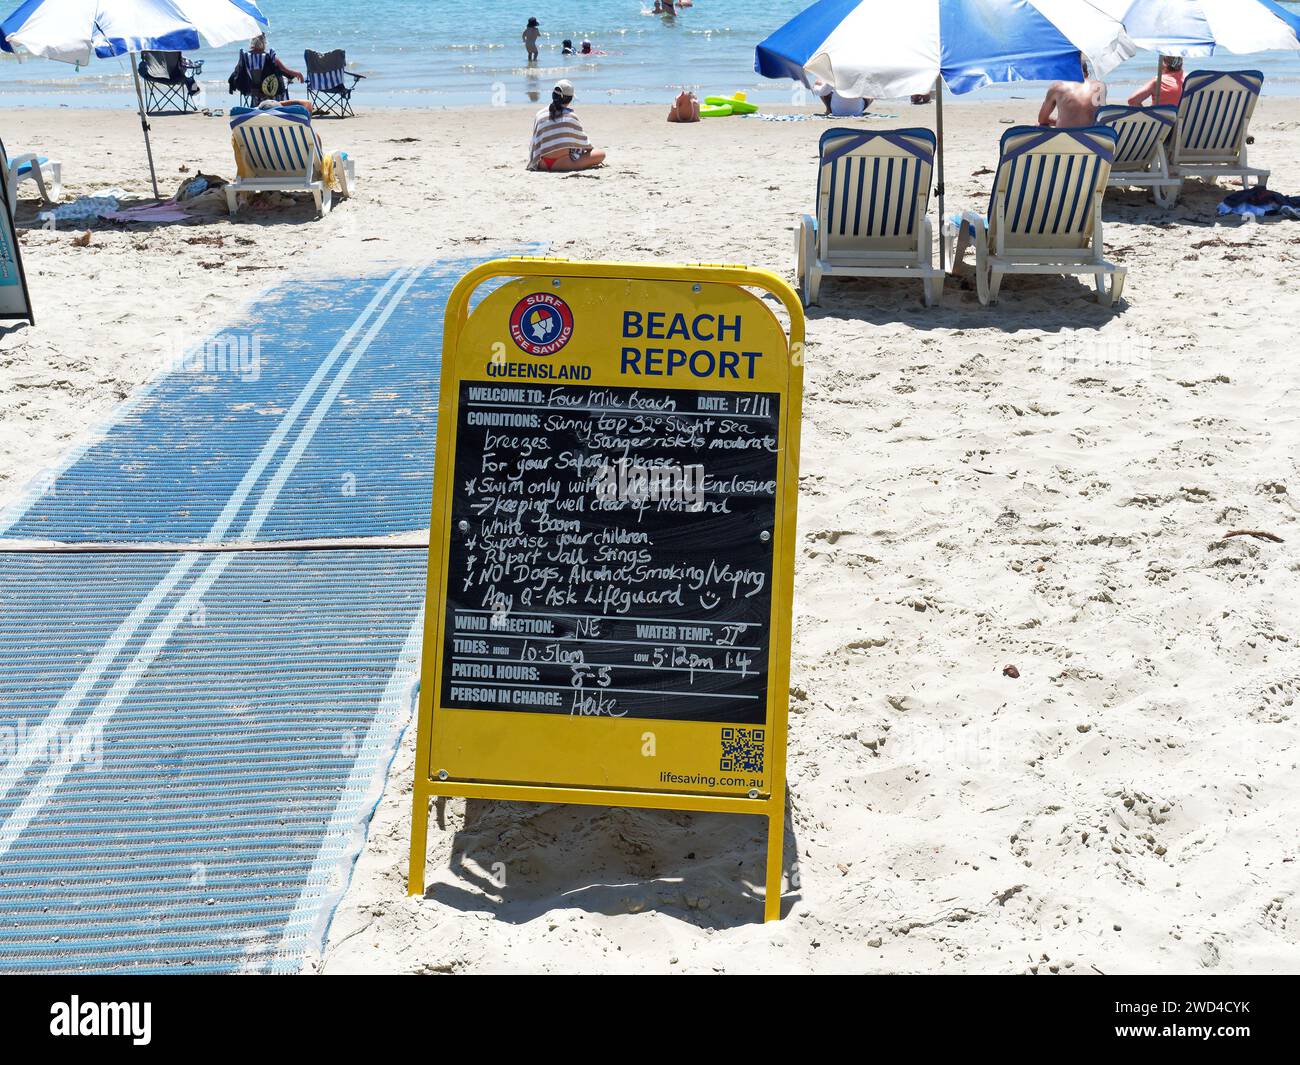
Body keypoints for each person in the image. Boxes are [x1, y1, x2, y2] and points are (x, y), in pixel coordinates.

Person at [528, 79, 606, 172]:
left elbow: (535, 143)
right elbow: (587, 146)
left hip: (542, 163)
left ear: (553, 95)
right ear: (570, 99)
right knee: (601, 154)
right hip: (563, 164)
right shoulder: (570, 116)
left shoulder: (539, 114)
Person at [1037, 59, 1107, 127]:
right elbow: (1101, 116)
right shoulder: (1099, 86)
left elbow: (1042, 119)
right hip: (1091, 136)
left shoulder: (1057, 86)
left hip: (1065, 135)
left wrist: (1057, 122)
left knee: (1039, 125)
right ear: (1087, 73)